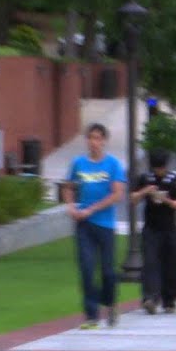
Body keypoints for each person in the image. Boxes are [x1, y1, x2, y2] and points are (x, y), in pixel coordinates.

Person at [64, 123, 127, 329]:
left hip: (105, 225)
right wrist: (71, 206)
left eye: (98, 138)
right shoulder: (78, 163)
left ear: (104, 141)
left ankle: (110, 303)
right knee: (87, 269)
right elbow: (69, 186)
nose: (94, 142)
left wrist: (92, 209)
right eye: (91, 138)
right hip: (84, 225)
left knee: (108, 271)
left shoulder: (113, 165)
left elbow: (117, 194)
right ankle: (91, 315)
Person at [130, 149, 176, 314]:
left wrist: (165, 199)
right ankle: (150, 298)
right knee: (150, 262)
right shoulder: (145, 179)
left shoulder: (174, 180)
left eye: (161, 168)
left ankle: (170, 300)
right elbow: (133, 199)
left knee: (172, 263)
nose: (159, 171)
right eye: (156, 168)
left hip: (170, 227)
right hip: (151, 227)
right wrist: (145, 191)